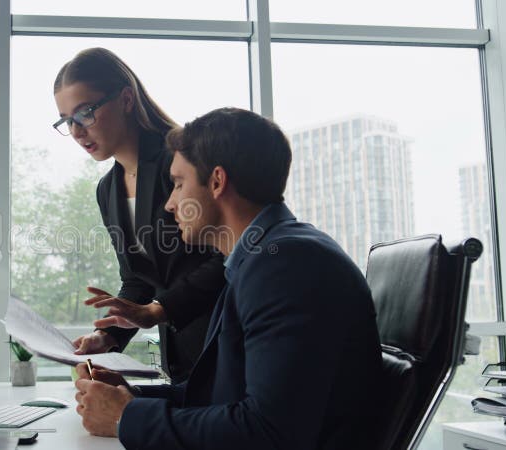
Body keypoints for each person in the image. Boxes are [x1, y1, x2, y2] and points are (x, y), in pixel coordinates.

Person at [73, 107, 383, 449]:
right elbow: (220, 397)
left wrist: (125, 418)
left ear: (217, 182)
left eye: (178, 184)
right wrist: (126, 396)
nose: (170, 204)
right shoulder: (260, 258)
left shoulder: (284, 265)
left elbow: (268, 431)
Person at [53, 48, 225, 383]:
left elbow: (227, 255)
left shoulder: (179, 163)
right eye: (66, 120)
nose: (76, 130)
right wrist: (108, 336)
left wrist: (161, 309)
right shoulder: (108, 189)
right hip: (182, 362)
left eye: (85, 113)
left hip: (225, 341)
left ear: (126, 100)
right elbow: (138, 278)